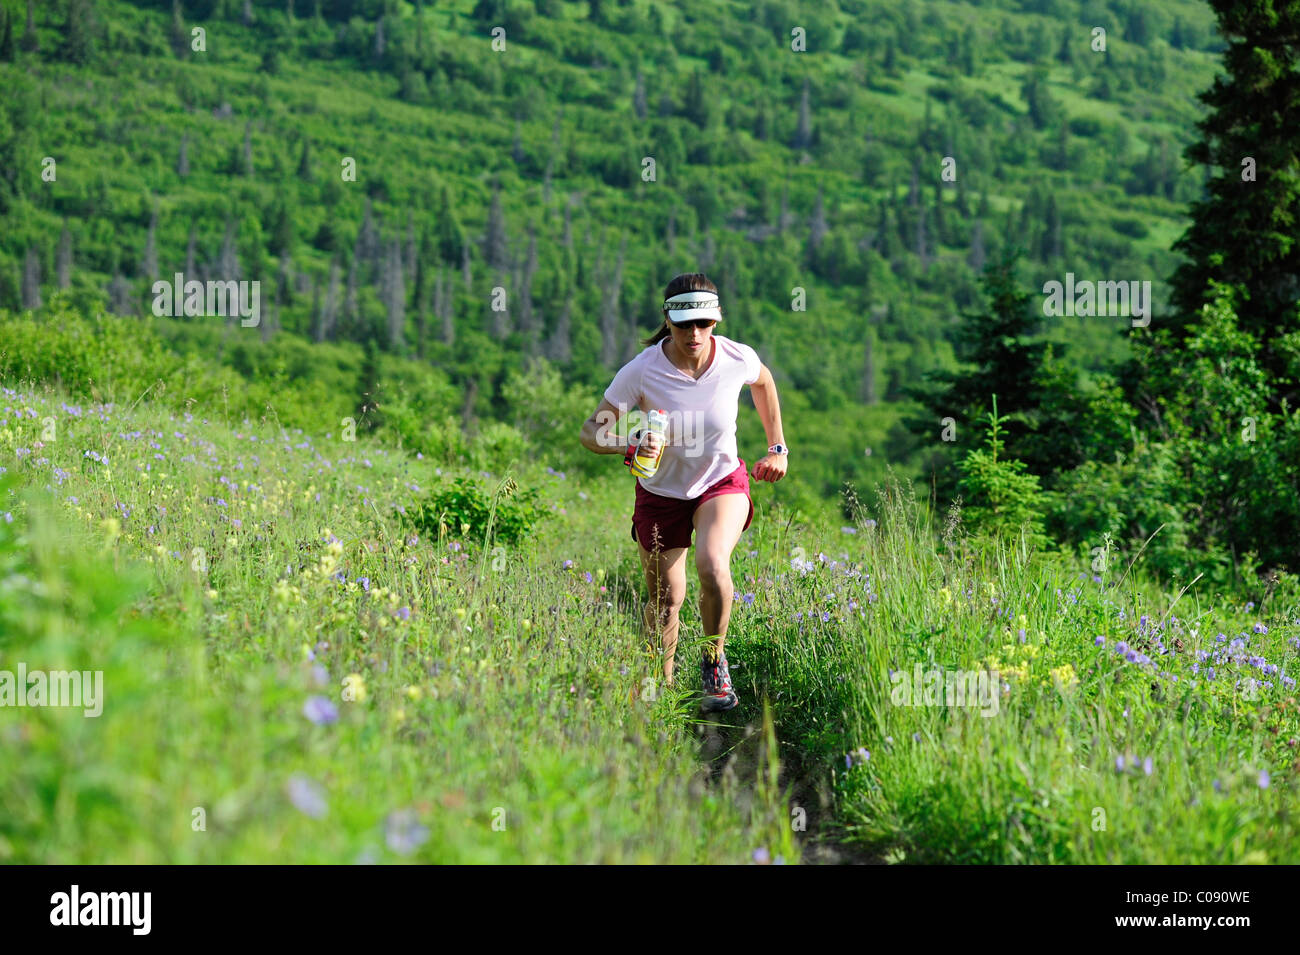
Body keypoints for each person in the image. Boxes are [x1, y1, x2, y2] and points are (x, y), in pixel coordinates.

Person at [578, 272, 788, 712]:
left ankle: (714, 661)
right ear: (668, 321)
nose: (695, 334)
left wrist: (777, 448)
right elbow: (590, 432)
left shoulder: (735, 357)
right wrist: (630, 443)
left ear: (717, 320)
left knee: (713, 565)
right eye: (684, 324)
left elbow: (764, 383)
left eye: (705, 324)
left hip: (720, 480)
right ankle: (661, 692)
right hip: (660, 492)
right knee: (665, 599)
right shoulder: (641, 370)